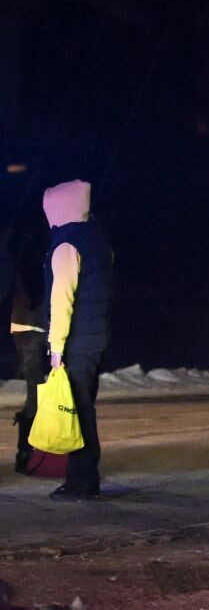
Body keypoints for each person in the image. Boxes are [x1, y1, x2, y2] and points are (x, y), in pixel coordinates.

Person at [42, 180, 112, 499]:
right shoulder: (95, 239)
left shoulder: (67, 245)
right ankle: (82, 478)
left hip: (77, 340)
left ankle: (82, 482)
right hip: (96, 335)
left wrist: (56, 348)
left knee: (77, 410)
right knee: (82, 407)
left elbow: (62, 300)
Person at [4, 219, 50, 474]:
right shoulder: (33, 254)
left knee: (37, 390)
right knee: (38, 391)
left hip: (29, 324)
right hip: (34, 324)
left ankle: (28, 452)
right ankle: (30, 451)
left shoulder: (19, 253)